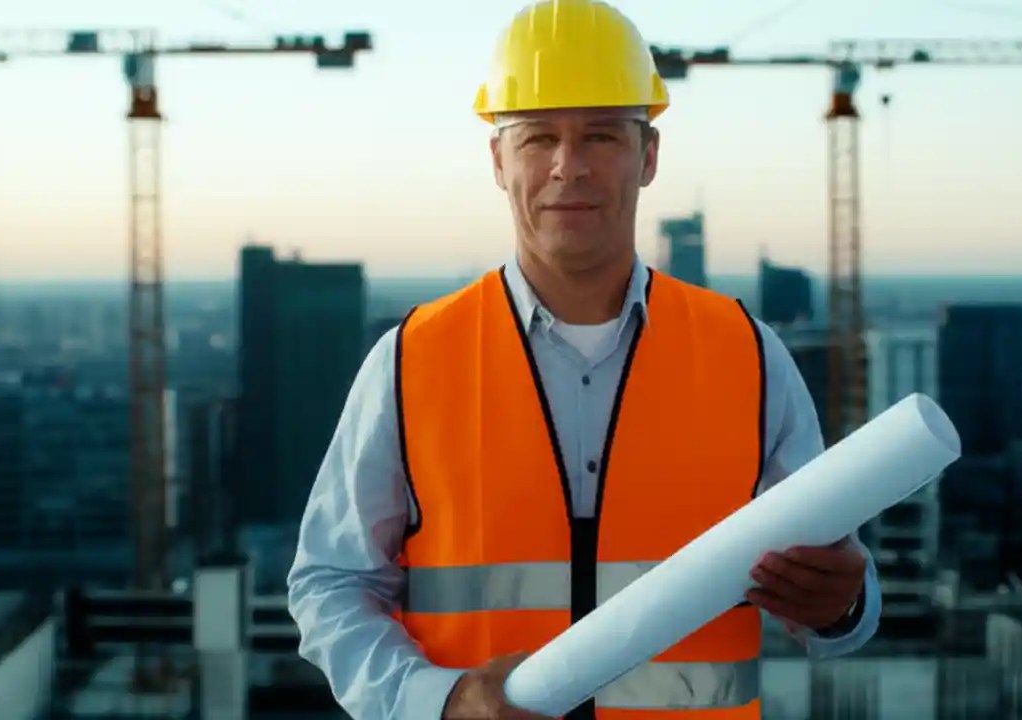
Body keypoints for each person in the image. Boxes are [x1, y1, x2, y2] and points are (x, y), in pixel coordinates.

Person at [286, 0, 880, 718]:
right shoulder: (409, 365)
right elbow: (331, 585)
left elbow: (838, 585)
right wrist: (441, 701)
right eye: (538, 138)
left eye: (601, 135)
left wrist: (843, 605)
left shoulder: (748, 357)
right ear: (498, 160)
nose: (569, 167)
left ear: (648, 155)